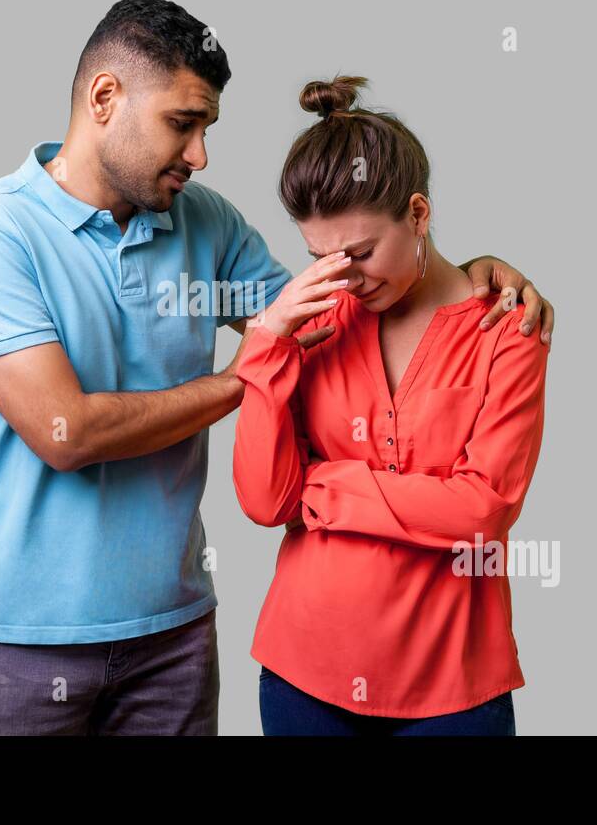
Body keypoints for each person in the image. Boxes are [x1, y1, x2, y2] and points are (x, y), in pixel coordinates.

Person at [0, 0, 555, 735]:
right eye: (182, 123)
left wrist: (475, 271)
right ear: (105, 98)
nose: (199, 155)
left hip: (175, 634)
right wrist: (249, 373)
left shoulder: (208, 223)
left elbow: (331, 309)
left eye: (207, 130)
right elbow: (68, 433)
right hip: (17, 644)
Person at [233, 75, 551, 735]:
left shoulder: (505, 328)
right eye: (320, 258)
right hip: (302, 674)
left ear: (417, 213)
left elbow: (481, 513)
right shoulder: (317, 323)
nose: (344, 278)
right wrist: (267, 340)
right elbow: (266, 502)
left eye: (361, 253)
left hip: (454, 684)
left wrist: (329, 487)